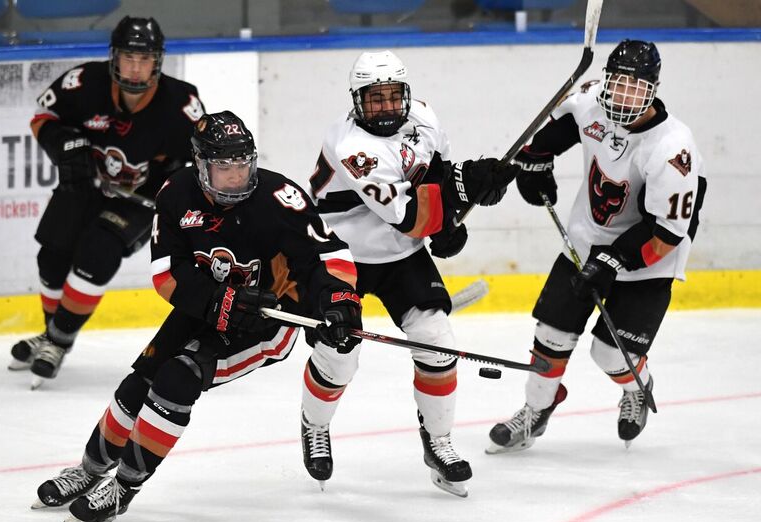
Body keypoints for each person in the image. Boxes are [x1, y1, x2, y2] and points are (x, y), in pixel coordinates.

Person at [30, 110, 363, 522]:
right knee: (139, 383)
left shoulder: (281, 198)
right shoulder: (175, 195)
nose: (236, 177)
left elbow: (326, 258)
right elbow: (168, 274)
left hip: (265, 323)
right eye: (224, 168)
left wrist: (339, 299)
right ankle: (89, 470)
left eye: (243, 165)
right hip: (204, 306)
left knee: (178, 379)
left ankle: (124, 488)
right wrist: (220, 303)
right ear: (202, 165)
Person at [299, 50, 519, 497]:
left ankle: (438, 442)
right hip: (341, 255)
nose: (384, 107)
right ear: (357, 101)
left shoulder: (424, 118)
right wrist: (466, 187)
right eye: (373, 98)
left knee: (439, 345)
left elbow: (434, 174)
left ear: (405, 94)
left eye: (391, 96)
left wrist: (454, 216)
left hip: (401, 255)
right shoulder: (352, 149)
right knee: (340, 357)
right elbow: (409, 214)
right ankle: (314, 424)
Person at [488, 39, 707, 452]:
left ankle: (638, 386)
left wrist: (614, 260)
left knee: (609, 354)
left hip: (648, 261)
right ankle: (537, 408)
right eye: (618, 83)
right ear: (606, 80)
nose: (623, 96)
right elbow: (552, 132)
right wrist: (533, 163)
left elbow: (668, 235)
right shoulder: (590, 100)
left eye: (636, 88)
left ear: (653, 90)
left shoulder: (673, 149)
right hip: (586, 243)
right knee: (550, 334)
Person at [8, 16, 205, 387]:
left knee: (97, 253)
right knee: (50, 257)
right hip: (86, 184)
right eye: (129, 57)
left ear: (157, 62)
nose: (135, 67)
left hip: (142, 198)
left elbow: (203, 159)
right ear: (114, 57)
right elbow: (43, 116)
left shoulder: (181, 103)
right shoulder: (84, 83)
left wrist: (175, 186)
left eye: (144, 59)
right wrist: (64, 144)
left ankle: (57, 341)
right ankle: (52, 334)